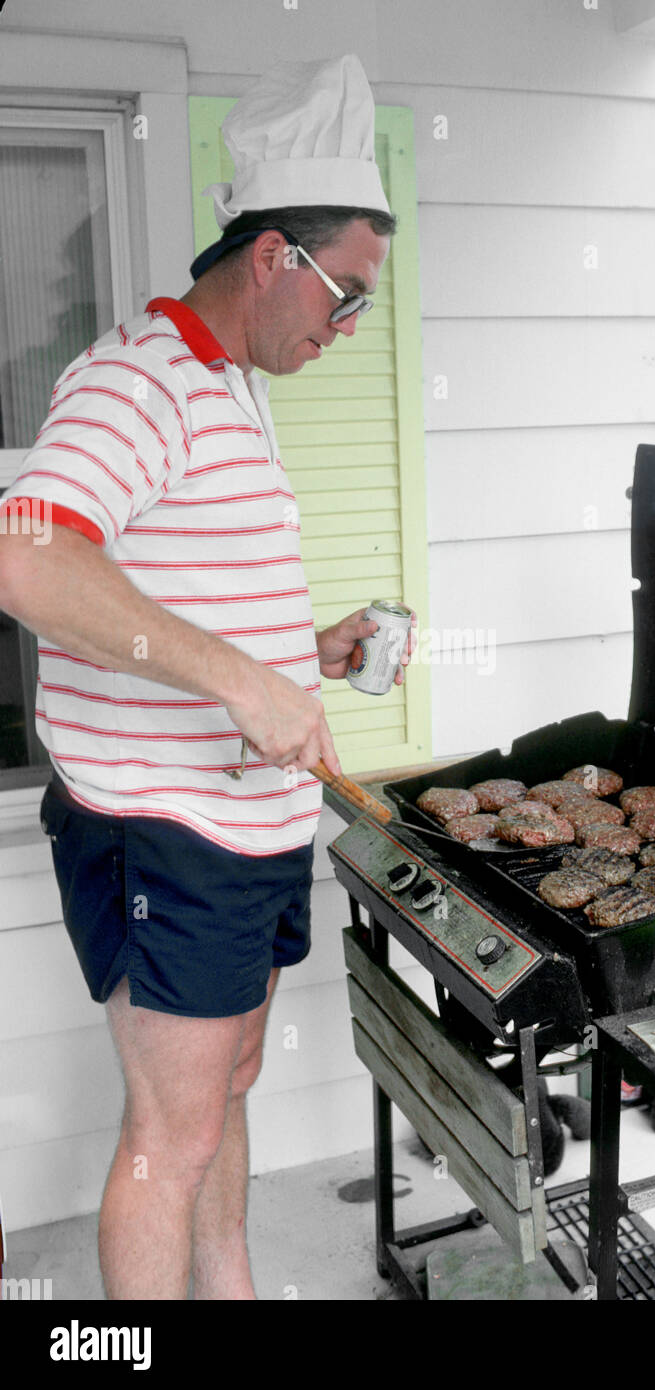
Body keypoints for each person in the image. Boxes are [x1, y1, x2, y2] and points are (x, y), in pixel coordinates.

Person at [0, 55, 412, 1299]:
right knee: (166, 1134)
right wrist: (239, 676)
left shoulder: (235, 383)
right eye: (344, 295)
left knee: (229, 1083)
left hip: (246, 826)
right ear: (275, 255)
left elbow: (182, 582)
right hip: (167, 831)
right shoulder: (138, 375)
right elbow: (28, 560)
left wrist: (307, 652)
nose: (345, 330)